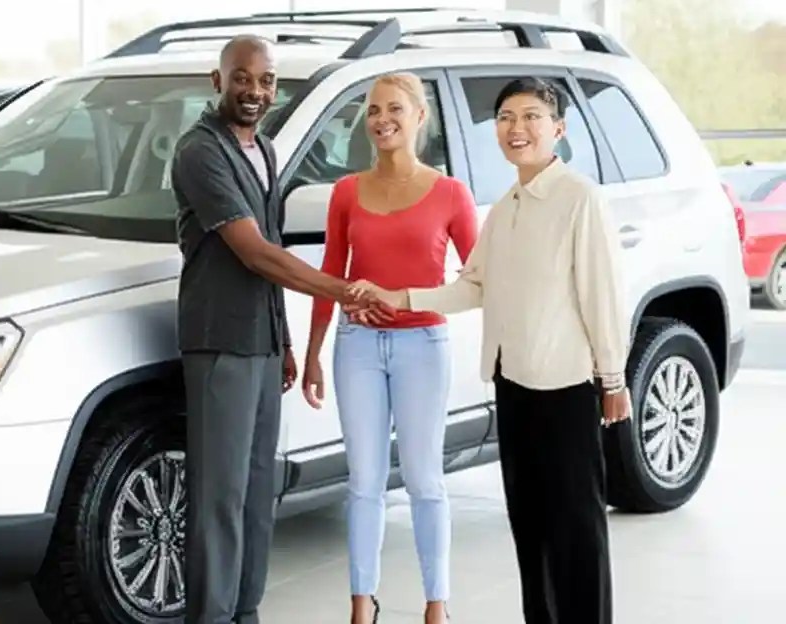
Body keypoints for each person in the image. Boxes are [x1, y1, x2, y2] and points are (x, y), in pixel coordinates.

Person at [347, 76, 632, 624]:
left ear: (558, 129)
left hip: (566, 386)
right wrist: (398, 296)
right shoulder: (506, 207)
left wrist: (613, 380)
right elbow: (472, 286)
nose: (516, 128)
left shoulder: (579, 198)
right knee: (530, 526)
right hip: (514, 383)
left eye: (530, 117)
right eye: (505, 118)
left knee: (576, 531)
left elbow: (602, 294)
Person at [171, 34, 365, 624]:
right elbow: (254, 252)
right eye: (242, 78)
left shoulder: (266, 150)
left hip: (259, 341)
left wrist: (282, 339)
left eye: (266, 80)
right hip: (220, 342)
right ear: (218, 81)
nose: (255, 91)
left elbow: (273, 244)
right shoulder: (199, 151)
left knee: (258, 492)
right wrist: (341, 290)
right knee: (220, 496)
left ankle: (245, 611)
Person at [301, 73, 478, 624]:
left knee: (424, 479)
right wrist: (314, 352)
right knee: (364, 482)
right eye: (373, 111)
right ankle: (361, 604)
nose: (382, 119)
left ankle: (436, 605)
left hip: (423, 345)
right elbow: (332, 273)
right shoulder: (346, 192)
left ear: (419, 117)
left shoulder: (451, 194)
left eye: (395, 109)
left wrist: (409, 300)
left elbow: (478, 279)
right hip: (356, 347)